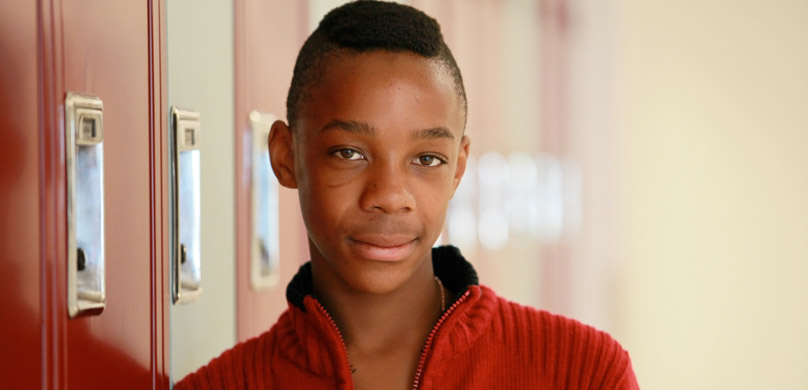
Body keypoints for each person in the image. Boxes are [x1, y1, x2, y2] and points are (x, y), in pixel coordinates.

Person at [176, 1, 639, 389]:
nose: (390, 196)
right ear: (284, 156)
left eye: (427, 159)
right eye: (349, 152)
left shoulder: (583, 372)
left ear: (458, 167)